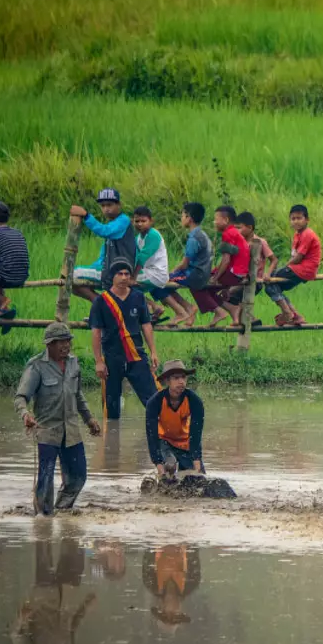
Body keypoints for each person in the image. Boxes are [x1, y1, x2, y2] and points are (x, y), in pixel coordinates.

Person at [14, 323, 102, 516]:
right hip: (47, 430)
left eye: (68, 341)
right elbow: (21, 397)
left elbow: (78, 395)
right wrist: (26, 414)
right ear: (50, 345)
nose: (66, 346)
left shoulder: (73, 363)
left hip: (71, 430)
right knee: (45, 478)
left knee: (78, 476)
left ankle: (61, 510)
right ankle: (43, 517)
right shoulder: (36, 366)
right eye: (61, 342)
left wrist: (89, 419)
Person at [11, 530, 97, 644]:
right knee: (75, 548)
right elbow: (72, 629)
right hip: (67, 596)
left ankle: (44, 514)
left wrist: (21, 619)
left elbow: (16, 635)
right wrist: (85, 607)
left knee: (43, 545)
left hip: (44, 597)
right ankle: (71, 518)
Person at [141, 360, 234, 498]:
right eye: (176, 378)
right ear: (167, 381)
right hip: (163, 442)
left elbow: (195, 436)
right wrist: (160, 469)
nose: (181, 382)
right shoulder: (155, 402)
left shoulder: (194, 401)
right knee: (169, 467)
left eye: (183, 377)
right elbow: (152, 437)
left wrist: (197, 467)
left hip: (185, 443)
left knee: (197, 483)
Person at [88, 259, 160, 420]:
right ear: (112, 276)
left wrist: (153, 351)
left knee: (153, 401)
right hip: (112, 358)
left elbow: (146, 326)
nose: (123, 277)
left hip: (136, 355)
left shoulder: (139, 297)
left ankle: (160, 437)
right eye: (119, 274)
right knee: (111, 409)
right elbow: (96, 332)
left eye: (127, 274)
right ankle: (111, 442)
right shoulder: (101, 301)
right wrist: (99, 361)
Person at [70, 188, 135, 304]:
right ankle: (105, 306)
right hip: (108, 269)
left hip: (116, 271)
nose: (106, 209)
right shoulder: (114, 223)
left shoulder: (123, 221)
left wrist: (86, 216)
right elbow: (102, 258)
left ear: (118, 205)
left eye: (109, 205)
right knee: (74, 283)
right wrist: (92, 268)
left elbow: (104, 231)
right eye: (103, 206)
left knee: (72, 274)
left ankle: (104, 306)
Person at [191, 205, 249, 328]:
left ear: (226, 220)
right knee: (208, 288)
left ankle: (219, 312)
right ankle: (232, 310)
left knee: (196, 283)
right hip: (239, 273)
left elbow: (226, 260)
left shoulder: (228, 234)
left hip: (233, 273)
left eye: (216, 219)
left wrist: (216, 277)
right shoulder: (235, 232)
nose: (214, 222)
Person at [270, 204, 321, 327]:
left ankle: (288, 313)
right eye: (293, 219)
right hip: (300, 269)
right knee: (274, 286)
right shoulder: (297, 234)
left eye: (299, 218)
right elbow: (295, 256)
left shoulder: (307, 234)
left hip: (303, 269)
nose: (296, 221)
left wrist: (284, 268)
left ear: (307, 220)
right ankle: (294, 315)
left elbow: (298, 258)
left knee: (270, 281)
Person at [169, 202, 214, 328]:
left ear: (189, 218)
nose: (181, 219)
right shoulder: (203, 235)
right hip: (204, 273)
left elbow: (184, 264)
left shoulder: (193, 238)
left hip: (195, 275)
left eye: (182, 216)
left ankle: (186, 309)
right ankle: (189, 309)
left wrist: (173, 271)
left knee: (162, 282)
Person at [227, 211, 278, 311]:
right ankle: (248, 320)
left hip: (255, 281)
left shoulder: (260, 242)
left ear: (250, 227)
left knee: (229, 294)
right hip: (240, 280)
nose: (237, 230)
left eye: (239, 227)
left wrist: (268, 274)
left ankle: (246, 319)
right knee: (228, 296)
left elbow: (274, 260)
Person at [131, 206, 172, 323]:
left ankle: (152, 306)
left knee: (124, 283)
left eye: (143, 221)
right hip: (148, 272)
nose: (140, 224)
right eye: (137, 221)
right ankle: (151, 307)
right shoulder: (138, 237)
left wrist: (133, 277)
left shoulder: (153, 235)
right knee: (126, 286)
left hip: (156, 273)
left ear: (151, 221)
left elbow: (142, 257)